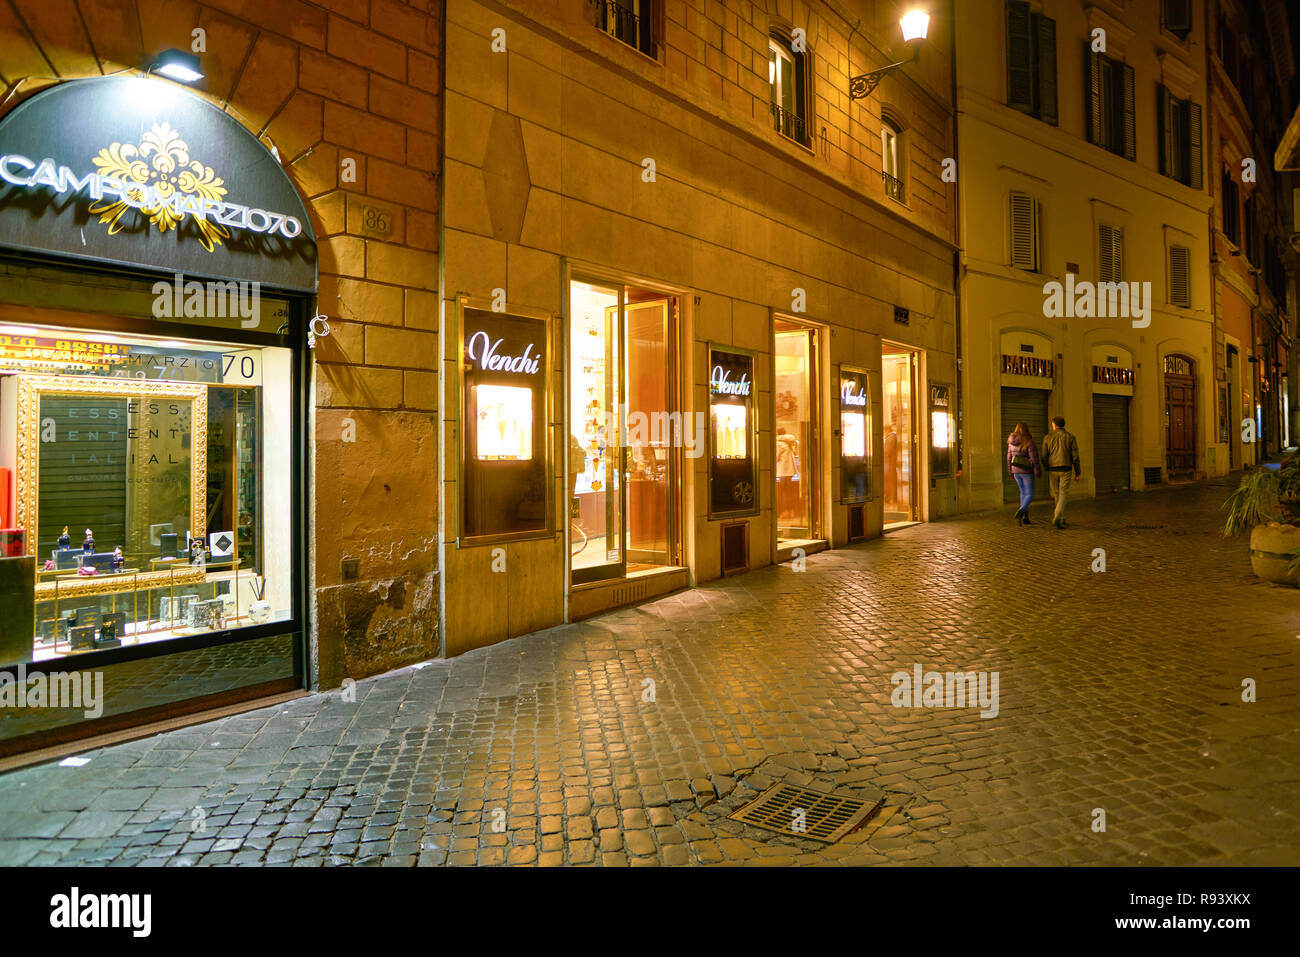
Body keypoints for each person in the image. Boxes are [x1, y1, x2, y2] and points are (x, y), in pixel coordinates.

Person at [1040, 416, 1082, 528]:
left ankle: (1059, 516)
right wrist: (1077, 472)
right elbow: (1075, 456)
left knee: (1057, 493)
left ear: (1054, 424)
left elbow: (1044, 455)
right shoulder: (1070, 437)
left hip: (1053, 469)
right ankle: (1059, 516)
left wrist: (1046, 467)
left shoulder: (1048, 437)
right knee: (1063, 493)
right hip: (1066, 468)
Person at [1006, 422, 1041, 525]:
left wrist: (1010, 472)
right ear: (1027, 429)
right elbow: (1034, 458)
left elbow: (1008, 458)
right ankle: (1021, 510)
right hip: (1026, 471)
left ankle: (1025, 517)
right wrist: (1037, 471)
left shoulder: (1011, 442)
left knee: (1023, 492)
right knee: (1029, 493)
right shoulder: (1029, 441)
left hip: (1016, 470)